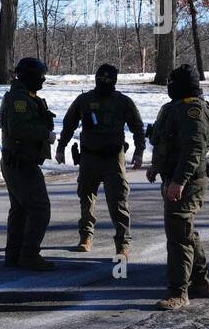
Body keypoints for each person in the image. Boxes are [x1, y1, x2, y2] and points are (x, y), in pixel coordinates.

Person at [55, 63, 145, 257]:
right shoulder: (84, 100)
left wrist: (139, 152)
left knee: (118, 201)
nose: (103, 81)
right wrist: (61, 147)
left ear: (114, 81)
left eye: (107, 78)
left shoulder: (123, 102)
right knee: (86, 199)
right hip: (89, 157)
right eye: (100, 78)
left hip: (114, 158)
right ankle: (86, 236)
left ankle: (122, 243)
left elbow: (138, 127)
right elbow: (68, 124)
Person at [146, 63, 209, 311]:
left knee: (178, 238)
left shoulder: (192, 110)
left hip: (187, 182)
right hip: (174, 178)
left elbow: (193, 150)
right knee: (184, 231)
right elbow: (164, 140)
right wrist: (156, 166)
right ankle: (200, 281)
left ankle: (179, 292)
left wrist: (179, 181)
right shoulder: (175, 107)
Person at [0, 57, 57, 271]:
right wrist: (45, 134)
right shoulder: (19, 99)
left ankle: (14, 254)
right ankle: (29, 254)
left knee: (20, 210)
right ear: (29, 76)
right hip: (21, 161)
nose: (42, 80)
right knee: (40, 208)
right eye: (40, 76)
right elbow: (18, 129)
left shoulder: (24, 96)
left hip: (18, 160)